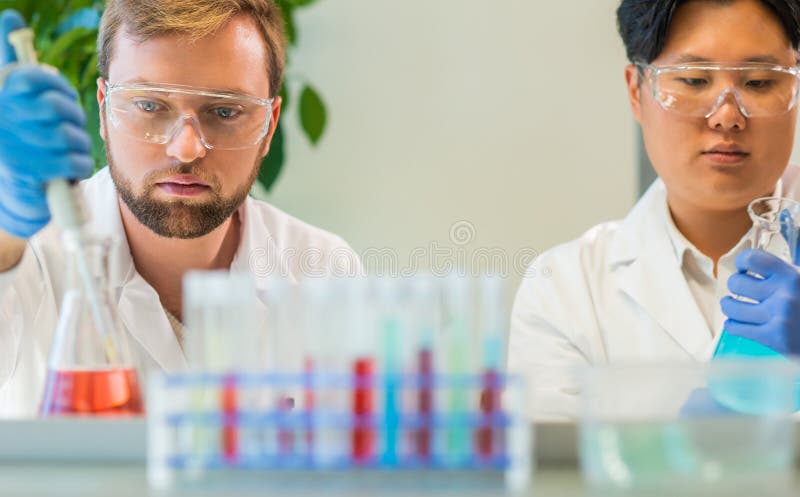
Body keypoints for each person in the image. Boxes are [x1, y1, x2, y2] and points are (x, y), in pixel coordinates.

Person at [0, 0, 360, 417]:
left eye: (225, 111)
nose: (185, 148)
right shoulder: (31, 257)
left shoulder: (324, 270)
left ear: (269, 127)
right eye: (150, 106)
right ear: (103, 109)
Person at [508, 0, 800, 421]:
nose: (726, 116)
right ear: (635, 91)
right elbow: (554, 482)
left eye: (758, 82)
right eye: (693, 79)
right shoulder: (566, 291)